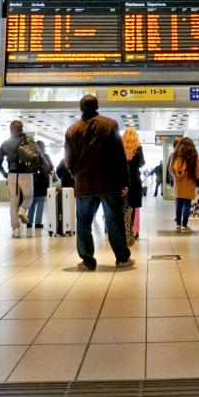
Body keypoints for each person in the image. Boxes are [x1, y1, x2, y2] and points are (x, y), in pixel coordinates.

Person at [63, 94, 133, 271]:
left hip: (84, 183)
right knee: (113, 221)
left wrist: (76, 174)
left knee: (84, 222)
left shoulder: (72, 129)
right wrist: (125, 180)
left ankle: (87, 261)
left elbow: (68, 160)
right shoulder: (110, 124)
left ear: (81, 108)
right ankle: (122, 258)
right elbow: (119, 155)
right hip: (108, 183)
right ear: (97, 106)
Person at [0, 120, 36, 238]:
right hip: (26, 174)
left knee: (13, 202)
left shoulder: (6, 143)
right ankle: (23, 210)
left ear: (10, 130)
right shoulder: (28, 140)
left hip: (12, 175)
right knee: (29, 197)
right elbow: (37, 156)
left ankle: (15, 230)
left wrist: (5, 174)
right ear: (22, 128)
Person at [171, 138, 199, 232]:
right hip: (189, 183)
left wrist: (175, 177)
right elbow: (198, 171)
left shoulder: (175, 156)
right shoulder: (193, 156)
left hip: (178, 183)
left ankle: (178, 225)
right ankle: (184, 226)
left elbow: (170, 169)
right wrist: (194, 178)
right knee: (186, 204)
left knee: (178, 204)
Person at [122, 127, 145, 245]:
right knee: (134, 206)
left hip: (122, 179)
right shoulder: (138, 147)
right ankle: (133, 231)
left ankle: (122, 231)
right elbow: (142, 163)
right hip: (135, 180)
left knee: (123, 205)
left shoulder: (120, 147)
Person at [27, 140, 54, 230]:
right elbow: (51, 168)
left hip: (32, 183)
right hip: (42, 183)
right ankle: (38, 223)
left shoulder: (30, 156)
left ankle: (29, 222)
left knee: (32, 203)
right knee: (40, 203)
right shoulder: (45, 156)